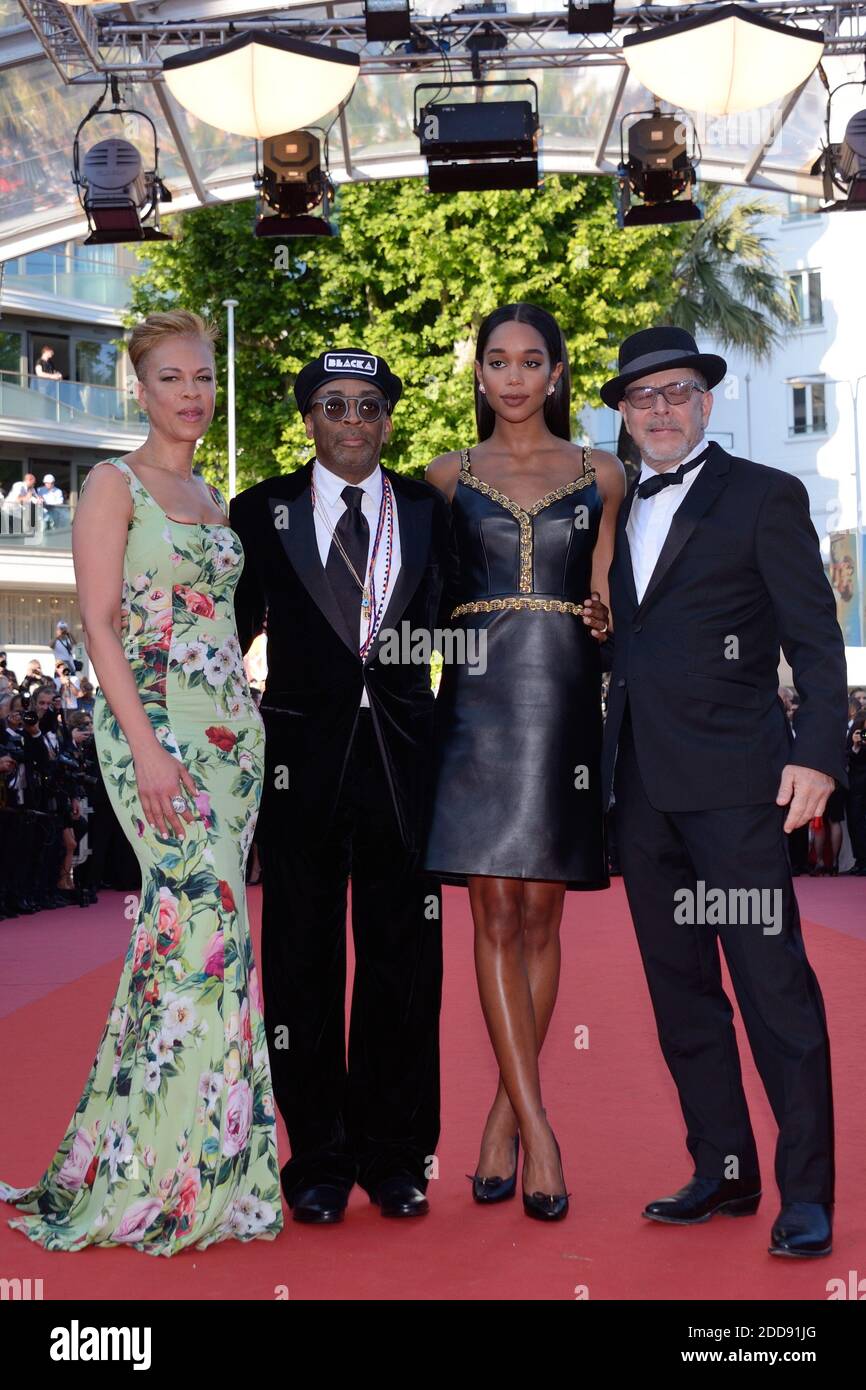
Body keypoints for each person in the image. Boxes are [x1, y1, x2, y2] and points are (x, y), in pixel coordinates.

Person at [0, 309, 282, 1254]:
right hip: (153, 733)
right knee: (209, 931)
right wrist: (148, 747)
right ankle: (171, 1177)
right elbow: (99, 624)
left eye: (202, 376)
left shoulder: (212, 494)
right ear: (139, 387)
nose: (192, 393)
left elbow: (222, 628)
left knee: (188, 943)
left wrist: (243, 726)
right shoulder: (111, 486)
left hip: (233, 741)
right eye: (171, 378)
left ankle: (173, 1163)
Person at [599, 326, 847, 1259]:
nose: (660, 409)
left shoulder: (765, 496)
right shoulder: (615, 508)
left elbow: (815, 639)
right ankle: (725, 1169)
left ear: (705, 403)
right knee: (682, 996)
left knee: (774, 991)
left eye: (677, 392)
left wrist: (818, 754)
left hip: (738, 793)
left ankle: (807, 1194)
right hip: (641, 792)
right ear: (625, 415)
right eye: (643, 396)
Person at [230, 348, 454, 1225]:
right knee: (301, 964)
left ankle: (395, 1157)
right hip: (299, 767)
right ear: (308, 420)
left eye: (368, 405)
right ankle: (318, 1159)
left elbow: (461, 634)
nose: (352, 420)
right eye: (334, 404)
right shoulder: (261, 511)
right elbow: (227, 637)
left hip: (406, 766)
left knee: (405, 965)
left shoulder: (428, 511)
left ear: (388, 421)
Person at [424, 303, 621, 1220]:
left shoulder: (603, 473)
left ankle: (505, 1116)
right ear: (479, 374)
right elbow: (419, 594)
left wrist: (607, 618)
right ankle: (540, 1133)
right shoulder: (444, 475)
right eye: (497, 361)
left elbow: (608, 592)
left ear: (556, 372)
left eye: (530, 360)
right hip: (476, 699)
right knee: (493, 908)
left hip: (564, 698)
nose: (513, 376)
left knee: (542, 913)